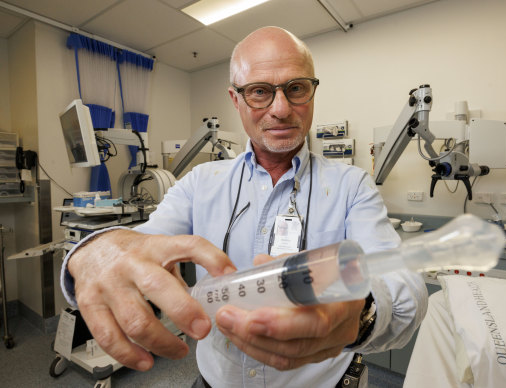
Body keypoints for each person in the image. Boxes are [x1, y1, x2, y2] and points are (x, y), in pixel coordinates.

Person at [61, 26, 427, 387]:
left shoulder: (351, 185)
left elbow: (402, 284)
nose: (281, 109)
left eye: (296, 88)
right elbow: (141, 243)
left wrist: (361, 313)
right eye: (259, 92)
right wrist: (97, 252)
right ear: (236, 99)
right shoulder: (200, 183)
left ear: (313, 92)